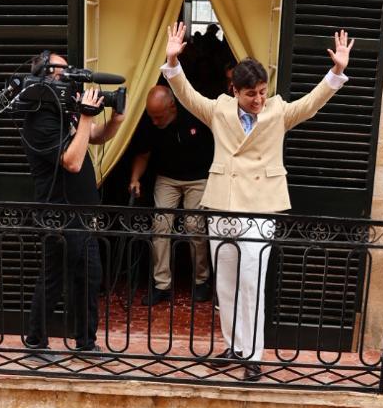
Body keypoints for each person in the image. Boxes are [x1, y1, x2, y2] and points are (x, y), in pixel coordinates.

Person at [161, 20, 354, 380]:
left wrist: (336, 71)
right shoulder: (218, 110)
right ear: (234, 89)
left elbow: (311, 104)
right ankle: (234, 345)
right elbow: (186, 96)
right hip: (222, 205)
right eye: (251, 94)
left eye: (263, 92)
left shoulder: (277, 111)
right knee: (226, 283)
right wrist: (173, 64)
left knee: (253, 281)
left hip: (260, 209)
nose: (259, 100)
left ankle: (253, 354)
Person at [20, 52, 124, 353]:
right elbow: (73, 161)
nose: (68, 78)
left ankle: (85, 343)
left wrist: (116, 119)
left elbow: (95, 136)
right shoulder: (39, 120)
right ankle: (36, 342)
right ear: (46, 77)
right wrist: (87, 114)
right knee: (53, 280)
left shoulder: (67, 110)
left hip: (81, 212)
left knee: (89, 278)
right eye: (62, 73)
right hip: (58, 213)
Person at [128, 82, 214, 305]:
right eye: (151, 116)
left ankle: (201, 281)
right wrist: (135, 178)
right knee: (161, 225)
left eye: (158, 116)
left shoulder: (195, 113)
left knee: (195, 226)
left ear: (172, 107)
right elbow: (143, 154)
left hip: (198, 177)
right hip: (167, 177)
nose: (154, 121)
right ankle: (162, 285)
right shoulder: (150, 122)